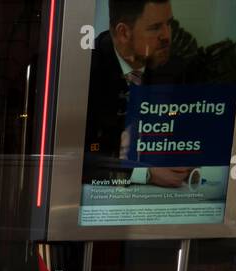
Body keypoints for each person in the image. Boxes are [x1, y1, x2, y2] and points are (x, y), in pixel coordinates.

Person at [83, 0, 196, 188]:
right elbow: (72, 159)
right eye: (155, 28)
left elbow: (186, 133)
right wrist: (146, 173)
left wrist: (186, 164)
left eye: (168, 23)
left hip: (165, 200)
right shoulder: (87, 70)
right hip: (99, 201)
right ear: (123, 33)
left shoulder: (174, 69)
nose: (167, 36)